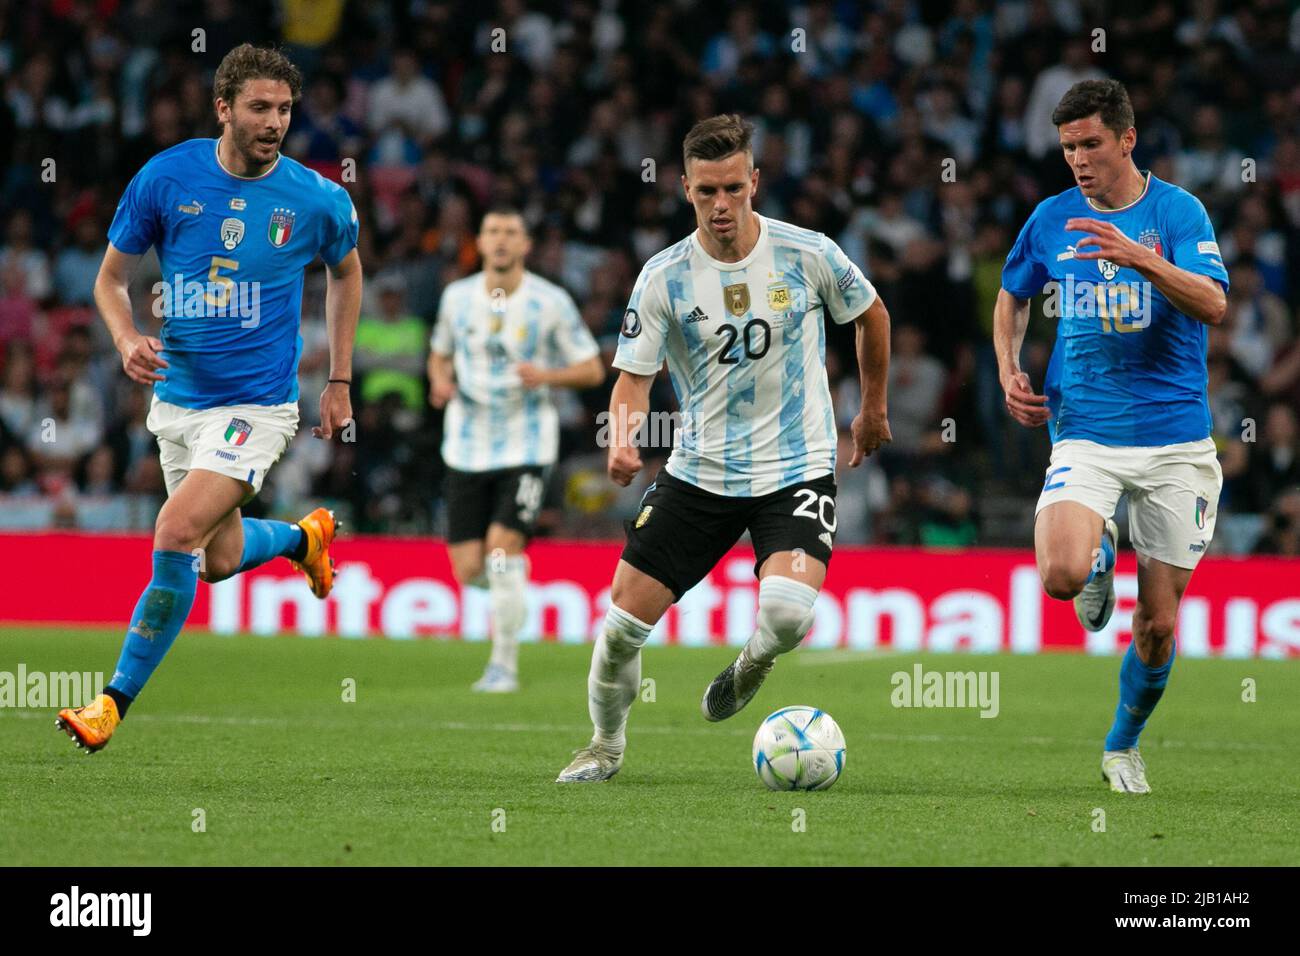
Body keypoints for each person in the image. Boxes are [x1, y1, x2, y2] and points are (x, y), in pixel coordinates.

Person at [556, 114, 892, 783]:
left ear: (754, 183)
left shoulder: (808, 253)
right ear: (684, 188)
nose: (720, 205)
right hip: (701, 471)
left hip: (794, 466)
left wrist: (873, 408)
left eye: (733, 188)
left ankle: (753, 662)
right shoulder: (664, 278)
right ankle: (603, 745)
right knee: (622, 624)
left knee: (789, 616)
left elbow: (872, 314)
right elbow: (631, 383)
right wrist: (623, 440)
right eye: (706, 190)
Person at [55, 44, 362, 753]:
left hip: (256, 407)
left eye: (285, 109)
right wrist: (126, 335)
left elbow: (348, 275)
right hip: (179, 402)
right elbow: (109, 280)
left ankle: (111, 704)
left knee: (174, 532)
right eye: (259, 107)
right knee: (217, 560)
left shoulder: (315, 198)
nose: (275, 122)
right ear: (222, 108)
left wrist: (339, 379)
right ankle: (301, 537)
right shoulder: (166, 178)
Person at [996, 79, 1229, 794]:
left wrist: (1143, 259)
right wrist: (1008, 365)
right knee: (1060, 576)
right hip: (1087, 431)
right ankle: (1098, 551)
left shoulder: (1177, 212)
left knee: (1157, 625)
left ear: (1127, 139)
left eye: (1091, 143)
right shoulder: (1051, 218)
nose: (1078, 159)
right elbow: (1014, 295)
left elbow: (1215, 303)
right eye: (1068, 147)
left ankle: (1122, 746)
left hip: (1176, 440)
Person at [429, 207, 603, 692]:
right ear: (480, 242)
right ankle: (515, 585)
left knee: (501, 551)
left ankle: (502, 665)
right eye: (492, 232)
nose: (501, 240)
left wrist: (546, 375)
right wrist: (440, 382)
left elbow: (591, 368)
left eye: (511, 233)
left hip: (526, 444)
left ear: (526, 245)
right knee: (469, 569)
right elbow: (439, 353)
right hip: (465, 444)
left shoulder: (550, 301)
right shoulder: (457, 298)